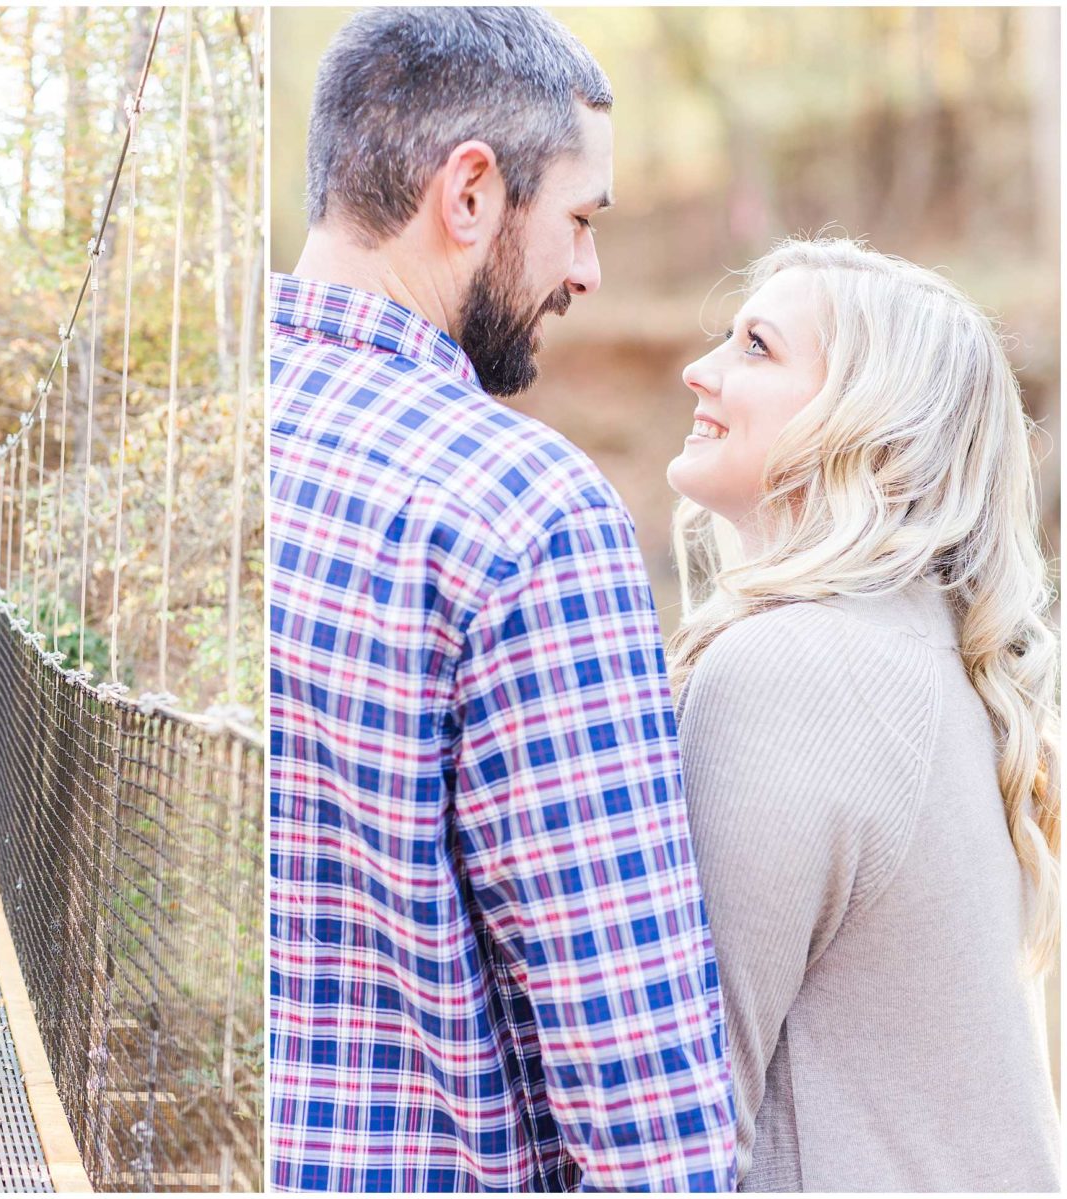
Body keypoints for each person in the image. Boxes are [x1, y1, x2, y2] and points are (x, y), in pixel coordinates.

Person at [269, 8, 736, 1191]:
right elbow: (629, 1055)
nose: (587, 271)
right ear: (468, 192)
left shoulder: (204, 438)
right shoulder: (520, 513)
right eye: (579, 218)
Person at [666, 236, 1061, 1191]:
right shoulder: (926, 650)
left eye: (756, 347)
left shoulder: (789, 672)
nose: (699, 369)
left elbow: (693, 1113)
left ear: (870, 422)